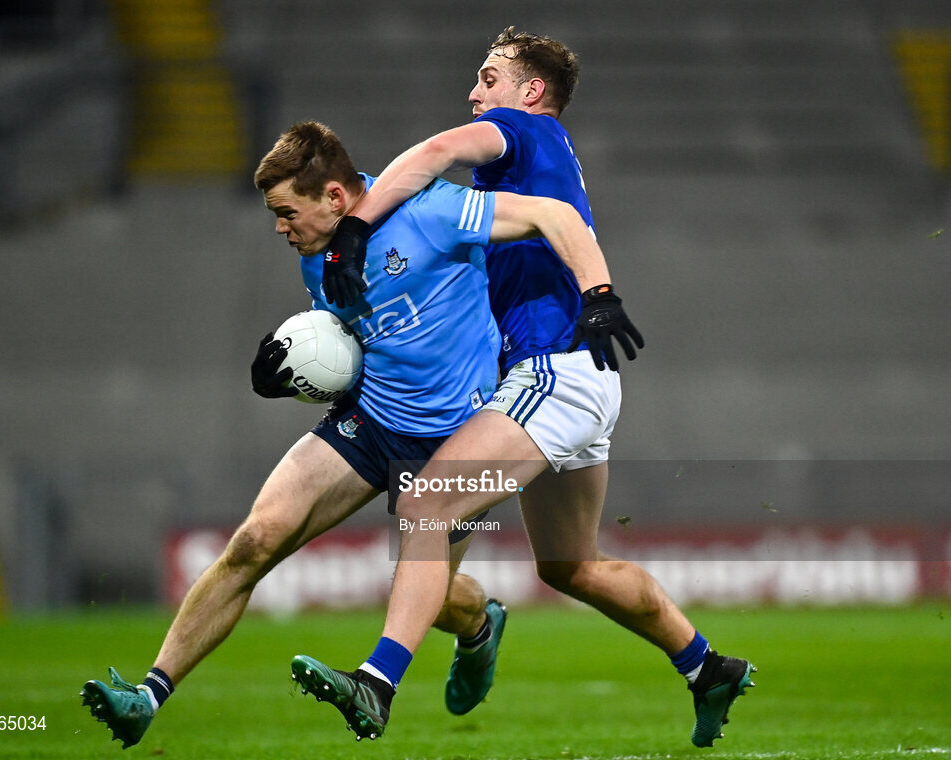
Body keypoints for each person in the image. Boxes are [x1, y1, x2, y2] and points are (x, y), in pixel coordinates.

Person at [79, 119, 625, 749]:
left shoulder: (431, 212)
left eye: (287, 213)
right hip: (369, 420)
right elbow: (347, 346)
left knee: (440, 599)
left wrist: (598, 292)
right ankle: (147, 696)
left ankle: (479, 626)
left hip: (457, 438)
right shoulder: (317, 255)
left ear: (335, 198)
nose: (280, 228)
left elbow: (553, 214)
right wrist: (290, 367)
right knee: (255, 540)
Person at [293, 27, 755, 748]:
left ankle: (378, 681)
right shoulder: (527, 174)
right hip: (577, 380)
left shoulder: (520, 133)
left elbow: (434, 154)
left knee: (425, 502)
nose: (474, 93)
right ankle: (708, 667)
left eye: (487, 78)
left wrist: (356, 224)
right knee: (572, 565)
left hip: (553, 371)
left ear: (529, 90)